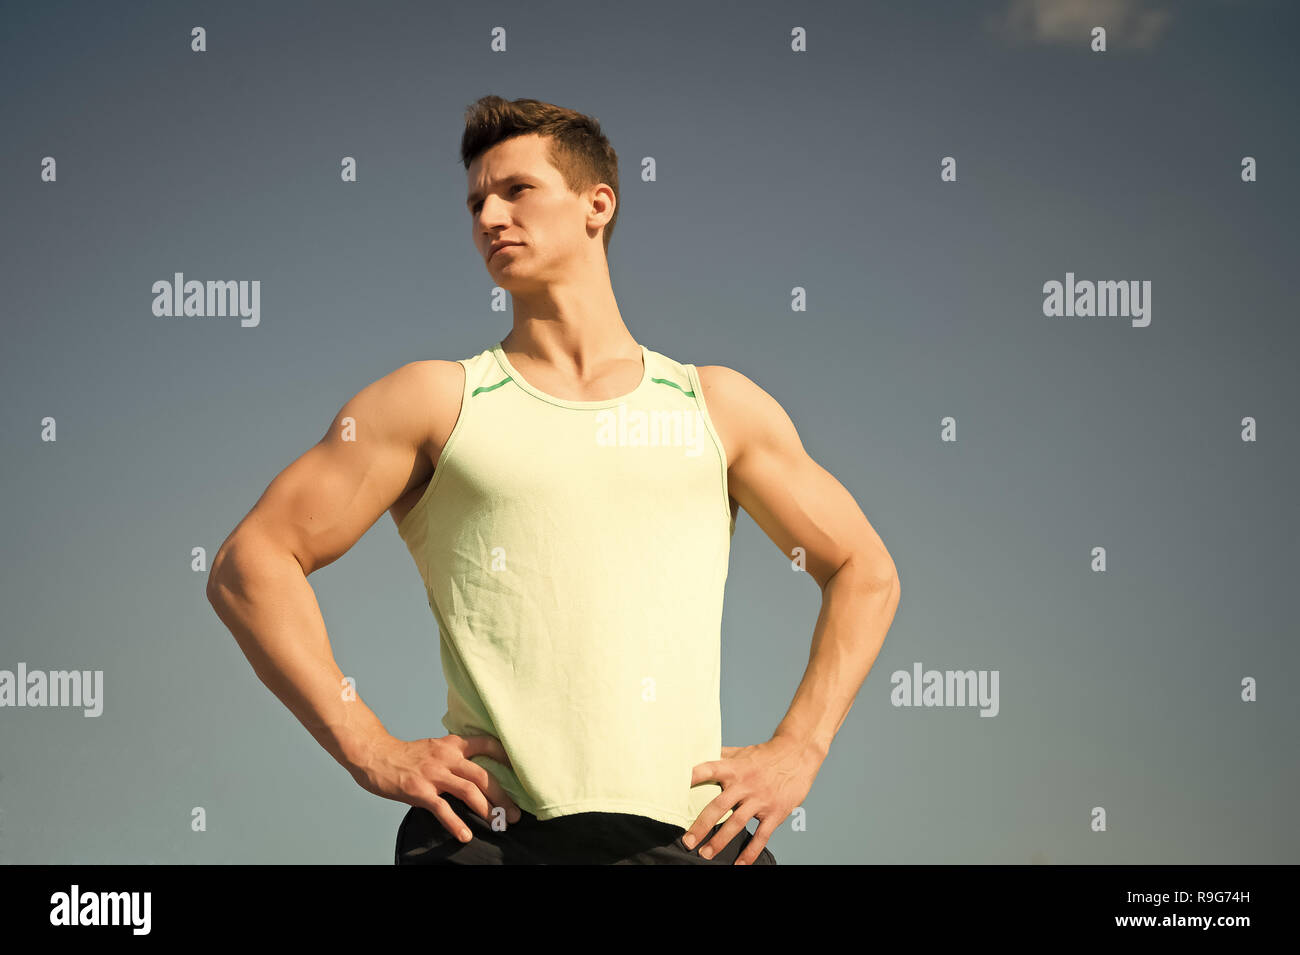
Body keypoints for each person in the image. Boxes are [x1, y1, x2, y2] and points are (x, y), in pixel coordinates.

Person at [207, 95, 901, 865]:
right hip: (492, 836)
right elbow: (251, 564)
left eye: (517, 190)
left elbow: (863, 569)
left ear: (596, 204)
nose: (489, 216)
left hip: (692, 835)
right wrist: (370, 746)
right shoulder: (434, 401)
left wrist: (799, 746)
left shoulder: (717, 406)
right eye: (476, 202)